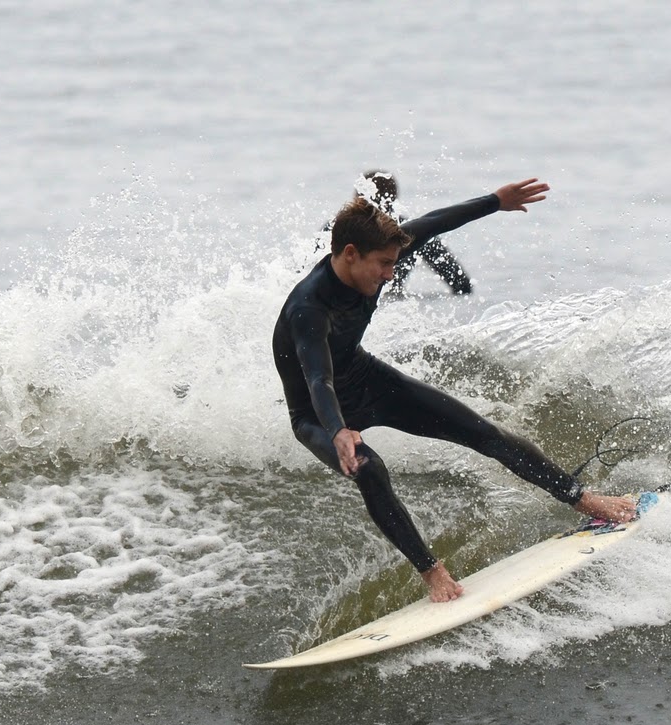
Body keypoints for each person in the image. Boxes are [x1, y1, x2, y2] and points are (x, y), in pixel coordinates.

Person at [271, 176, 638, 603]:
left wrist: (496, 201)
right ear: (350, 254)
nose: (392, 274)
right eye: (384, 265)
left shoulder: (376, 258)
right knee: (369, 469)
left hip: (365, 379)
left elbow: (435, 222)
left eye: (395, 262)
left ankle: (582, 499)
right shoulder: (308, 309)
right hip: (317, 414)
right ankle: (431, 571)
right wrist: (337, 431)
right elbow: (319, 379)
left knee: (484, 433)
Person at [361, 171, 474, 297]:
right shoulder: (413, 231)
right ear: (394, 198)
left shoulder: (344, 231)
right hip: (393, 306)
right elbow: (462, 285)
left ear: (359, 199)